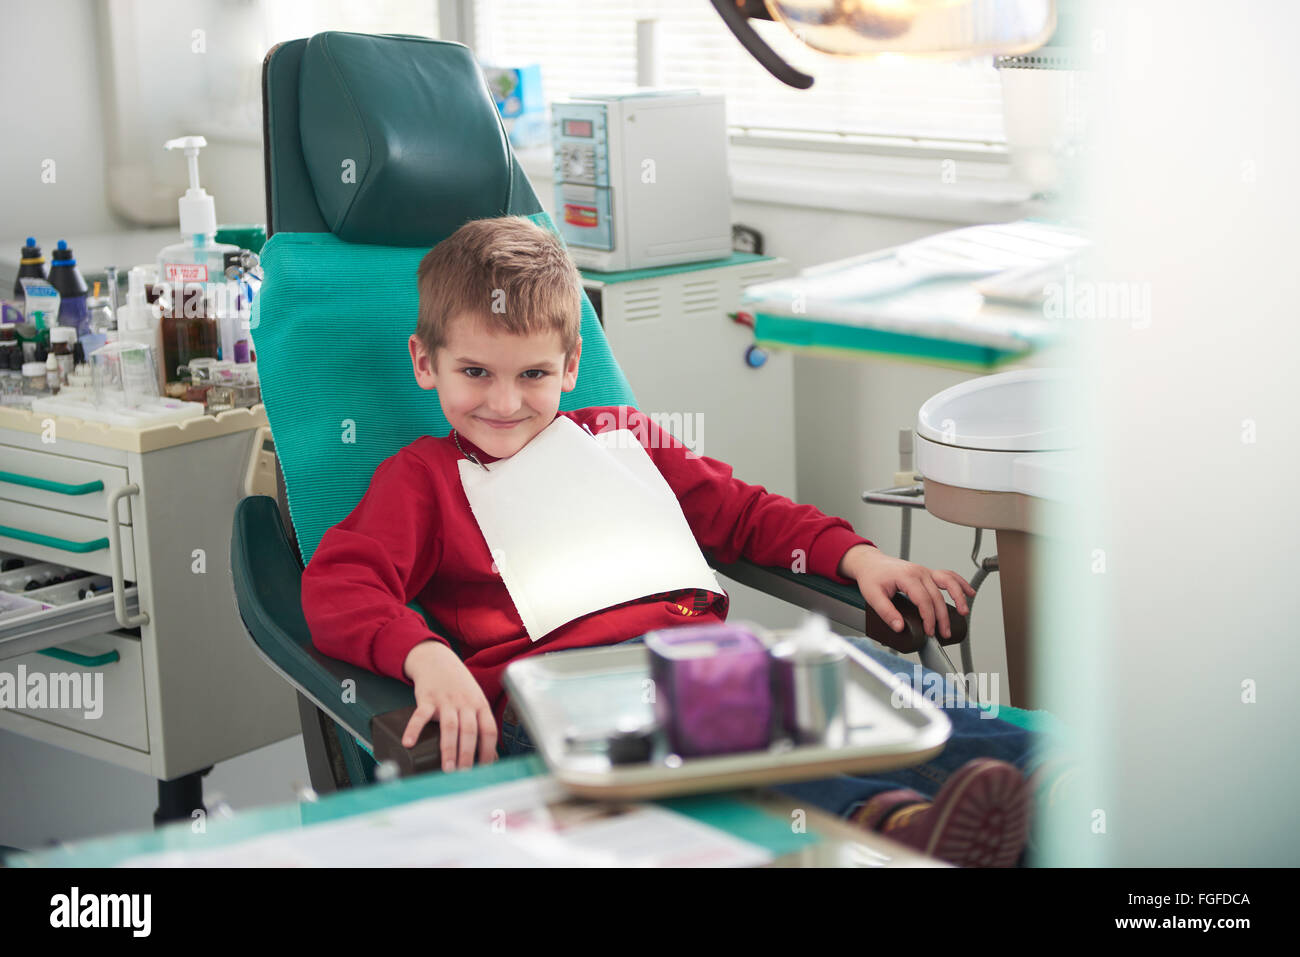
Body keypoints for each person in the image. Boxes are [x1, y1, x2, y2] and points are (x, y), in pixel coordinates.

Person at [301, 216, 1063, 866]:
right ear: (424, 364)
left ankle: (1053, 779)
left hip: (709, 662)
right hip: (571, 699)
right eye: (475, 372)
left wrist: (859, 556)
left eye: (533, 373)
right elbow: (341, 583)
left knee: (853, 672)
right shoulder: (424, 479)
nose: (505, 403)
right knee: (736, 751)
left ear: (572, 367)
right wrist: (425, 653)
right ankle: (898, 828)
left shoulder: (620, 438)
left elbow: (743, 514)